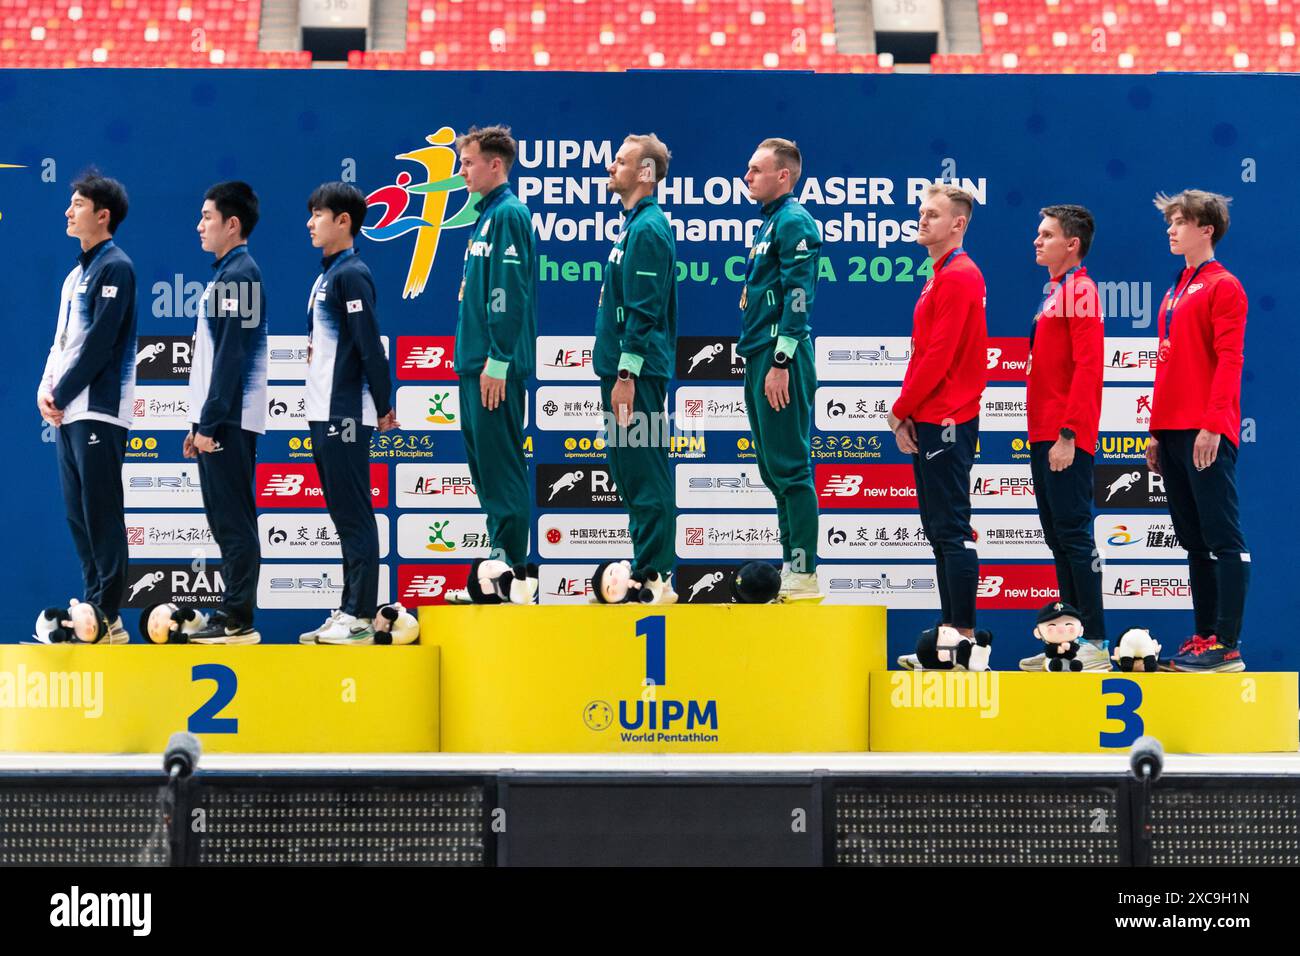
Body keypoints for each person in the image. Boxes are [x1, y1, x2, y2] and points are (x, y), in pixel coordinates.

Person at [1148, 189, 1249, 673]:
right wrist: (1154, 431)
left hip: (1206, 429)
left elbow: (1231, 360)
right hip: (1171, 430)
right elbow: (1168, 367)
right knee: (1193, 541)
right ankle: (1204, 636)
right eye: (1169, 222)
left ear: (1205, 229)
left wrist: (1212, 425)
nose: (1171, 230)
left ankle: (1227, 645)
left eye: (1180, 222)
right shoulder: (1176, 287)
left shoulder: (1223, 285)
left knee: (1223, 537)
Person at [297, 183, 400, 645]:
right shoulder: (327, 275)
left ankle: (359, 615)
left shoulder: (352, 274)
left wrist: (384, 405)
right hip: (322, 412)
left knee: (355, 515)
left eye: (318, 214)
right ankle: (347, 609)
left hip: (344, 414)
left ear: (344, 221)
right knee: (343, 516)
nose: (310, 222)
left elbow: (370, 346)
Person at [37, 171, 137, 644]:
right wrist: (45, 387)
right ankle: (92, 611)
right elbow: (61, 342)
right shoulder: (75, 275)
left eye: (77, 204)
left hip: (98, 408)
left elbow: (99, 345)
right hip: (70, 409)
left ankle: (109, 615)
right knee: (77, 514)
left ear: (103, 215)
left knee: (101, 511)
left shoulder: (117, 267)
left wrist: (62, 391)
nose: (67, 211)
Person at [887, 184, 987, 657]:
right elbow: (922, 353)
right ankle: (950, 633)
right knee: (937, 529)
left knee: (950, 528)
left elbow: (940, 357)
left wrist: (900, 408)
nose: (923, 220)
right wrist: (909, 413)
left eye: (933, 214)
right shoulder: (939, 273)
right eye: (922, 212)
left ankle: (965, 636)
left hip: (949, 416)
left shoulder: (960, 275)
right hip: (930, 416)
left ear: (958, 224)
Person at [444, 125, 537, 605]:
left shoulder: (509, 214)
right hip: (475, 362)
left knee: (501, 471)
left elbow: (510, 289)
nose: (462, 170)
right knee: (484, 470)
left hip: (493, 365)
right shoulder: (486, 216)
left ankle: (512, 576)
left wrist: (499, 358)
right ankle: (500, 571)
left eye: (468, 162)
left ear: (495, 164)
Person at [1018, 205, 1108, 671]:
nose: (1037, 240)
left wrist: (1070, 432)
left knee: (1073, 535)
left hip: (1064, 434)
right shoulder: (1057, 292)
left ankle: (1095, 639)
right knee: (1058, 537)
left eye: (1046, 234)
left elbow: (1091, 367)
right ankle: (1068, 640)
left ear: (1071, 245)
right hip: (1043, 432)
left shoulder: (1083, 291)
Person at [737, 138, 823, 602]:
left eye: (756, 169)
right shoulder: (771, 222)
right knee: (774, 471)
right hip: (759, 354)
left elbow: (798, 295)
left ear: (784, 175)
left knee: (790, 467)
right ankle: (793, 564)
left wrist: (781, 360)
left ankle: (805, 572)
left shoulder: (794, 221)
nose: (747, 176)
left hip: (778, 357)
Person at [594, 133, 678, 603]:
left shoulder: (648, 229)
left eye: (620, 162)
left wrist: (626, 376)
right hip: (626, 373)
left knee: (644, 474)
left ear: (645, 173)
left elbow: (644, 311)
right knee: (629, 471)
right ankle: (649, 570)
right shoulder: (633, 226)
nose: (611, 168)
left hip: (637, 377)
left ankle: (655, 578)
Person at [183, 181, 267, 645]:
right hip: (218, 421)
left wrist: (211, 425)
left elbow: (233, 357)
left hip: (230, 423)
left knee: (233, 521)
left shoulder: (241, 274)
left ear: (232, 224)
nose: (200, 225)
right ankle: (234, 613)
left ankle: (237, 618)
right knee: (225, 519)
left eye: (207, 216)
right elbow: (214, 360)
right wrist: (198, 422)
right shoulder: (228, 273)